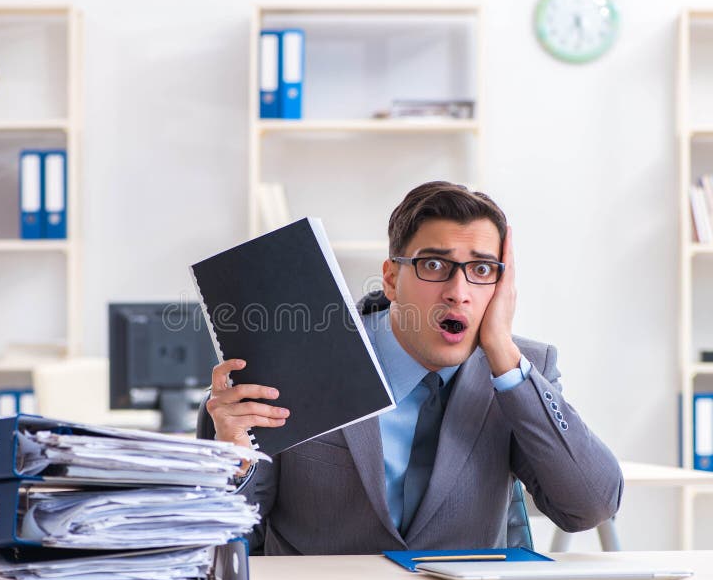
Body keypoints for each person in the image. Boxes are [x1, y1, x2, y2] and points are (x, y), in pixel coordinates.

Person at [197, 180, 623, 555]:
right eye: (434, 265)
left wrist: (503, 355)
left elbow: (590, 506)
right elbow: (217, 542)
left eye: (481, 270)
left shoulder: (519, 373)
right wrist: (231, 462)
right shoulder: (293, 361)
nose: (459, 292)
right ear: (391, 279)